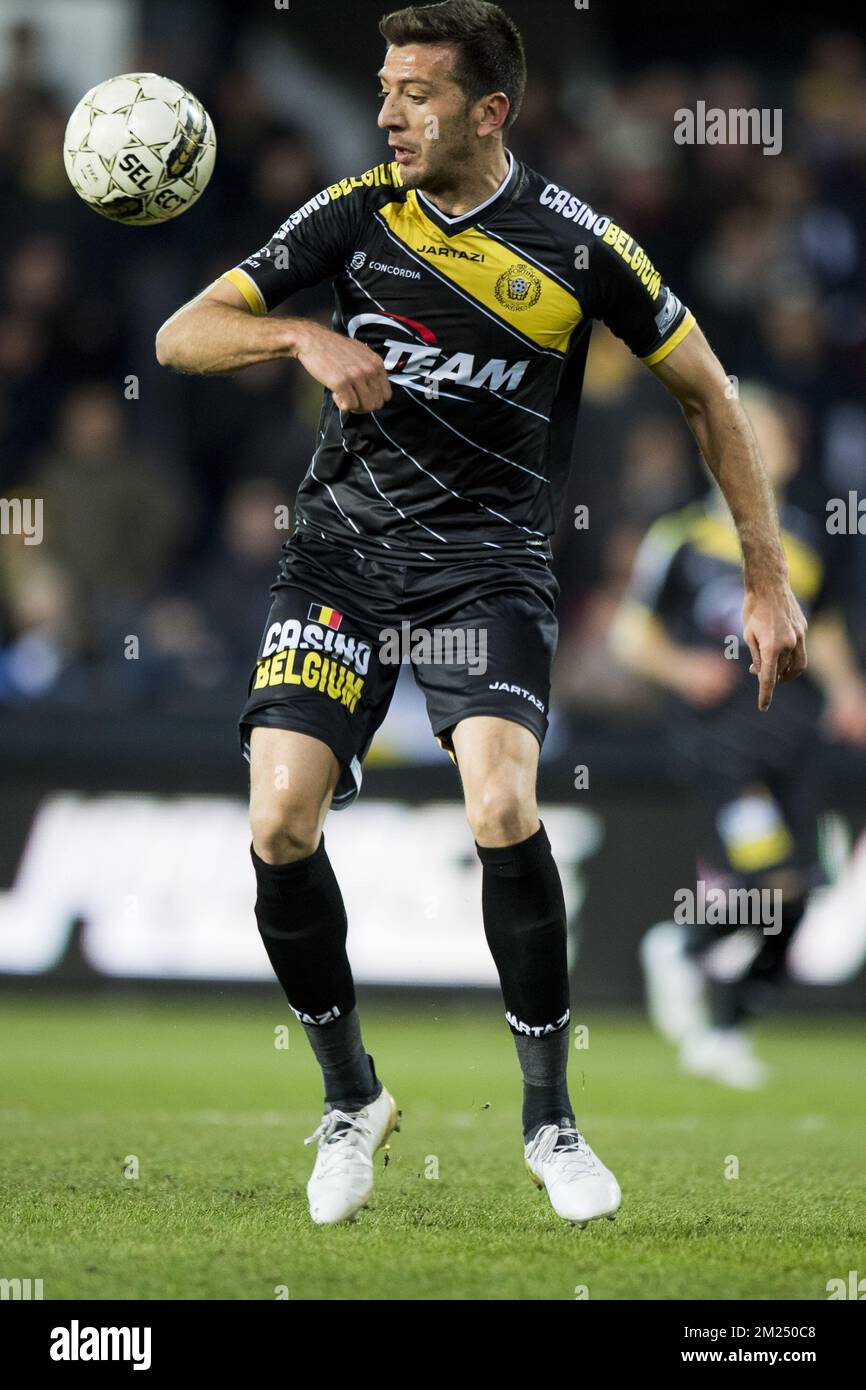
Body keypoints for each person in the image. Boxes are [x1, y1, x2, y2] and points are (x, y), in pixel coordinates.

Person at [155, 0, 806, 1227]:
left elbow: (708, 394)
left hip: (485, 567)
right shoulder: (353, 214)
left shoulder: (578, 244)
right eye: (384, 90)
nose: (389, 113)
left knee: (502, 801)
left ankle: (550, 1119)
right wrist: (298, 336)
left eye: (416, 93)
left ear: (488, 110)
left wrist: (764, 580)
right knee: (281, 819)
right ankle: (351, 1097)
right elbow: (181, 333)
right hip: (340, 560)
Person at [611, 383, 866, 1087]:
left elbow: (829, 626)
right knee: (766, 872)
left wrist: (847, 688)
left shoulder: (808, 540)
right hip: (719, 740)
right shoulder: (681, 535)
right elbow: (630, 633)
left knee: (801, 893)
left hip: (791, 732)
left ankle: (725, 1027)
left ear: (786, 453)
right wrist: (682, 665)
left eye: (770, 436)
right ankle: (684, 948)